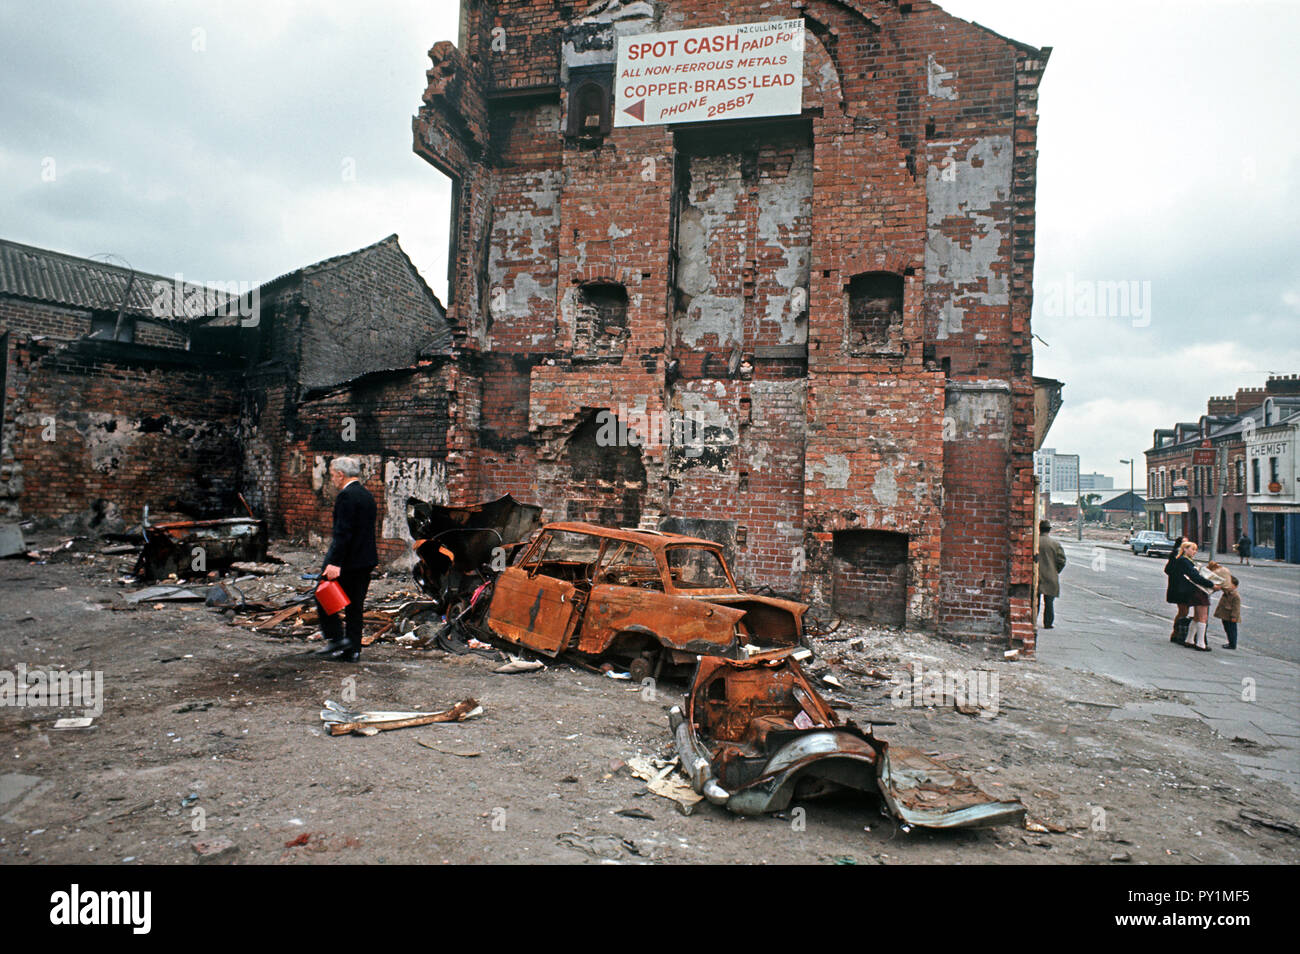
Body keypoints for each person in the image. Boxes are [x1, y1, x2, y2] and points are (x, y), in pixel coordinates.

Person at [316, 457, 378, 662]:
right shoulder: (367, 495)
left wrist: (335, 563)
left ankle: (336, 639)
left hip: (347, 562)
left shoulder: (346, 496)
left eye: (333, 475)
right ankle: (353, 650)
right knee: (355, 606)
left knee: (323, 594)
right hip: (365, 560)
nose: (332, 479)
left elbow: (343, 533)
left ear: (341, 475)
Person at [1167, 541, 1221, 652]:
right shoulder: (1184, 561)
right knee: (1201, 617)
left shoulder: (1184, 560)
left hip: (1186, 591)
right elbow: (1194, 576)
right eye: (1192, 549)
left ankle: (1189, 639)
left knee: (1195, 616)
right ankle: (1200, 643)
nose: (1194, 552)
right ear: (1185, 549)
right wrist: (1212, 585)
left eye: (1195, 549)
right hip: (1193, 591)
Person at [1037, 520, 1066, 629]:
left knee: (1035, 601)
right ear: (1049, 530)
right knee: (1049, 602)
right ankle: (1048, 623)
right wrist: (1055, 571)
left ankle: (1032, 620)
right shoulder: (1055, 544)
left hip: (1037, 575)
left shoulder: (1034, 542)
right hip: (1051, 576)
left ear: (1039, 529)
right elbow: (1062, 561)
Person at [1164, 535, 1190, 644]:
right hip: (1179, 588)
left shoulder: (1182, 556)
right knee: (1183, 611)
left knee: (1184, 611)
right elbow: (1168, 569)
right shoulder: (1177, 556)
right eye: (1185, 543)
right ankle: (1176, 633)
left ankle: (1177, 633)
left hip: (1181, 587)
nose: (1188, 545)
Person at [1214, 574, 1242, 650]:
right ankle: (1230, 642)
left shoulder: (1235, 596)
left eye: (1230, 584)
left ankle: (1232, 644)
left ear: (1235, 586)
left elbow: (1236, 608)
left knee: (1232, 630)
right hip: (1225, 615)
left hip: (1230, 616)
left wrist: (1234, 617)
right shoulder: (1226, 593)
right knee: (1227, 629)